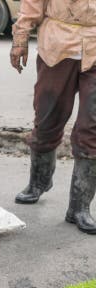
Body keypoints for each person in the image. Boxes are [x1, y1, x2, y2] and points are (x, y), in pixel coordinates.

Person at [11, 1, 96, 234]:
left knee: (93, 127)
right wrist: (20, 39)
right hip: (58, 47)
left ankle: (79, 207)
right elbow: (31, 5)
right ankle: (39, 182)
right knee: (48, 120)